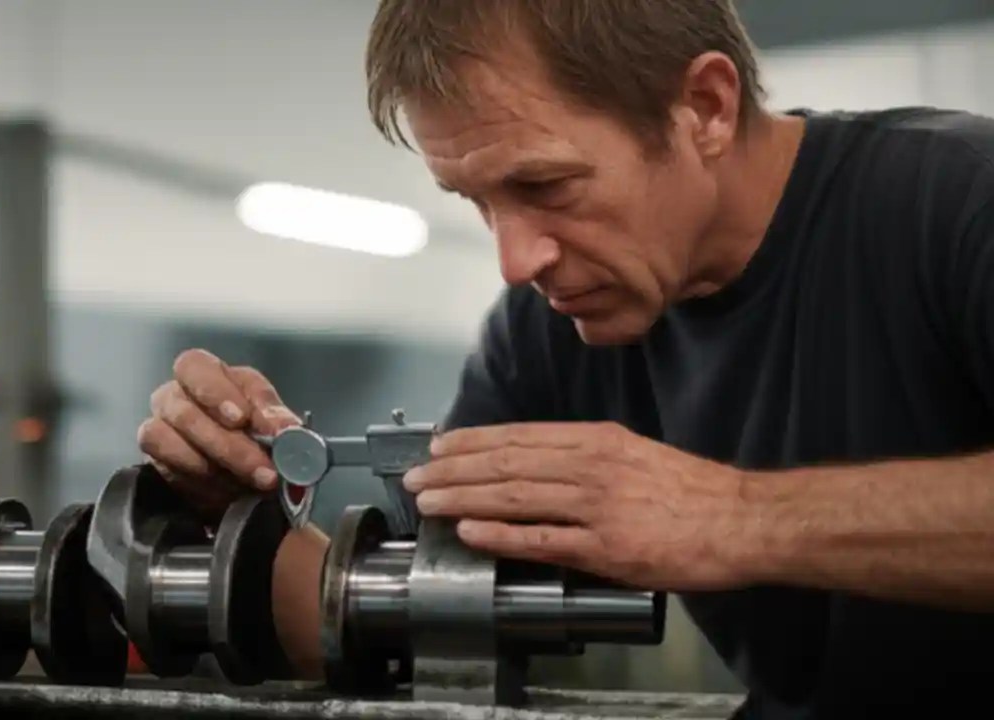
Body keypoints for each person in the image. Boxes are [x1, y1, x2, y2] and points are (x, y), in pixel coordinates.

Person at [137, 1, 994, 716]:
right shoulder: (548, 334)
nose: (516, 261)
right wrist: (238, 520)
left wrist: (732, 516)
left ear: (705, 107)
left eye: (545, 186)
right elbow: (409, 626)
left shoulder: (955, 202)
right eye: (478, 201)